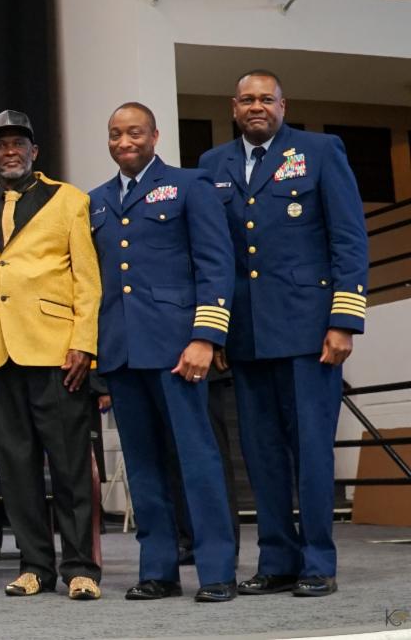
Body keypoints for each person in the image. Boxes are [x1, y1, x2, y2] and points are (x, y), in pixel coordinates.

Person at [199, 70, 368, 598]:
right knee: (262, 452)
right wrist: (216, 331)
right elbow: (214, 254)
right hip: (247, 336)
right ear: (233, 107)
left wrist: (344, 320)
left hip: (310, 332)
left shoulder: (319, 151)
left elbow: (349, 238)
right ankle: (276, 559)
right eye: (246, 99)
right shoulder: (212, 165)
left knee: (313, 451)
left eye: (265, 99)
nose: (256, 107)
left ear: (282, 104)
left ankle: (318, 560)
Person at [88, 102, 238, 602]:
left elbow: (216, 264)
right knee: (143, 465)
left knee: (197, 461)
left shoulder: (189, 185)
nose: (124, 142)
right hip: (123, 354)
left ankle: (217, 570)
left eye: (134, 132)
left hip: (179, 350)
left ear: (154, 135)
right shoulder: (98, 201)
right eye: (115, 134)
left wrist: (206, 337)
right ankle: (158, 569)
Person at [0, 109, 102, 601]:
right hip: (0, 351)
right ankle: (35, 565)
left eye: (18, 142)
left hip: (56, 350)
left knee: (68, 466)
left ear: (34, 151)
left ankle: (81, 566)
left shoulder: (69, 200)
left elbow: (88, 278)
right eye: (0, 145)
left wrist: (84, 342)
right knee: (18, 468)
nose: (10, 152)